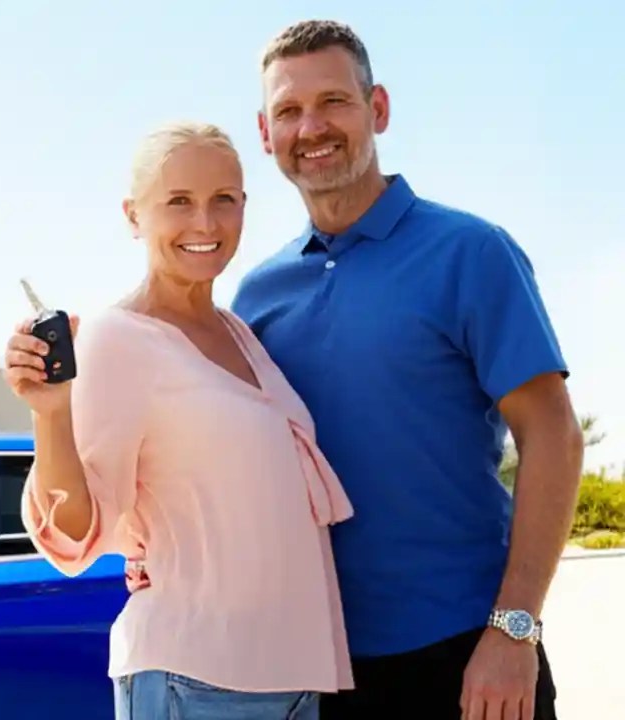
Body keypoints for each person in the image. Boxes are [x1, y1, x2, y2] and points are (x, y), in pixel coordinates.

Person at [225, 19, 583, 720]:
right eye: (288, 111)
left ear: (377, 109)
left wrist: (514, 632)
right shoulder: (257, 297)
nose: (312, 127)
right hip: (322, 671)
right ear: (266, 135)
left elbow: (554, 438)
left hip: (471, 660)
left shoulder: (471, 252)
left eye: (334, 101)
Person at [3, 121, 356, 719]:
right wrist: (51, 415)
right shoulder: (119, 338)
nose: (205, 224)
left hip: (290, 682)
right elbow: (74, 535)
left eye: (224, 200)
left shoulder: (242, 334)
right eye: (178, 202)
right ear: (133, 216)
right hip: (193, 683)